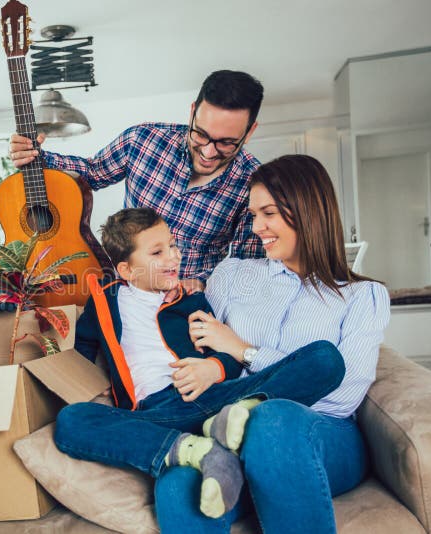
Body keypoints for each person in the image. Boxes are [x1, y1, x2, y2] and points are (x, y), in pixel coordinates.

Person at [53, 207, 347, 521]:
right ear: (127, 271)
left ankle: (238, 416)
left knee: (324, 359)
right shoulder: (103, 304)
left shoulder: (192, 301)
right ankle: (197, 450)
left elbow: (227, 358)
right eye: (157, 252)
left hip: (219, 399)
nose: (173, 257)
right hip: (159, 415)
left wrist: (213, 369)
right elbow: (79, 360)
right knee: (71, 420)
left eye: (173, 245)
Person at [154, 154, 391, 533]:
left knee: (273, 418)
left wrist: (243, 350)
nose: (256, 227)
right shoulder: (231, 274)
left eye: (269, 213)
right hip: (231, 438)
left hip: (323, 435)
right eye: (252, 215)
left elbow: (342, 393)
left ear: (308, 211)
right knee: (180, 485)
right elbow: (204, 357)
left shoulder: (363, 296)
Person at [10, 70, 267, 293]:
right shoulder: (142, 140)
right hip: (122, 291)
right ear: (192, 113)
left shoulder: (255, 186)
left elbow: (248, 268)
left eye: (226, 142)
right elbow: (92, 173)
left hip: (185, 308)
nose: (209, 152)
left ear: (250, 131)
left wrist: (202, 284)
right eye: (200, 134)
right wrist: (35, 156)